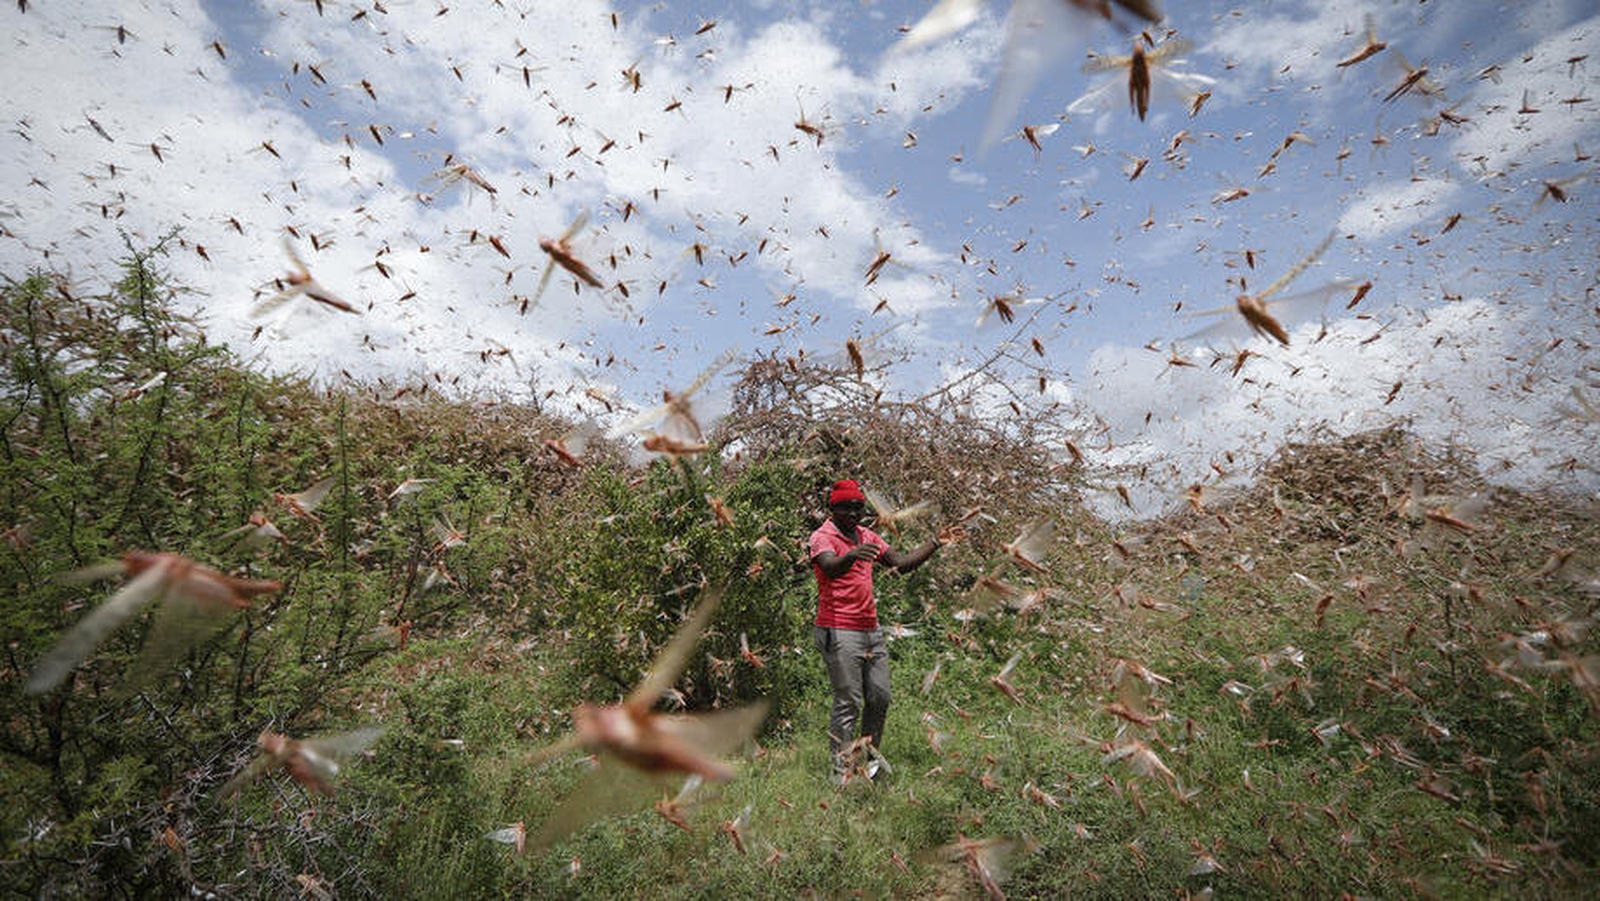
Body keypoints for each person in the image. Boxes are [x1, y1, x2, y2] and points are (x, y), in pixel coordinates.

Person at [809, 479, 957, 783]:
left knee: (879, 697)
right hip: (838, 629)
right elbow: (829, 567)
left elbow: (901, 564)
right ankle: (841, 776)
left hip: (870, 630)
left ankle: (868, 767)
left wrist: (935, 542)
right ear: (832, 508)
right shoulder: (822, 536)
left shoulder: (867, 536)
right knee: (848, 701)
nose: (853, 513)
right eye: (846, 507)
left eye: (858, 507)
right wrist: (851, 555)